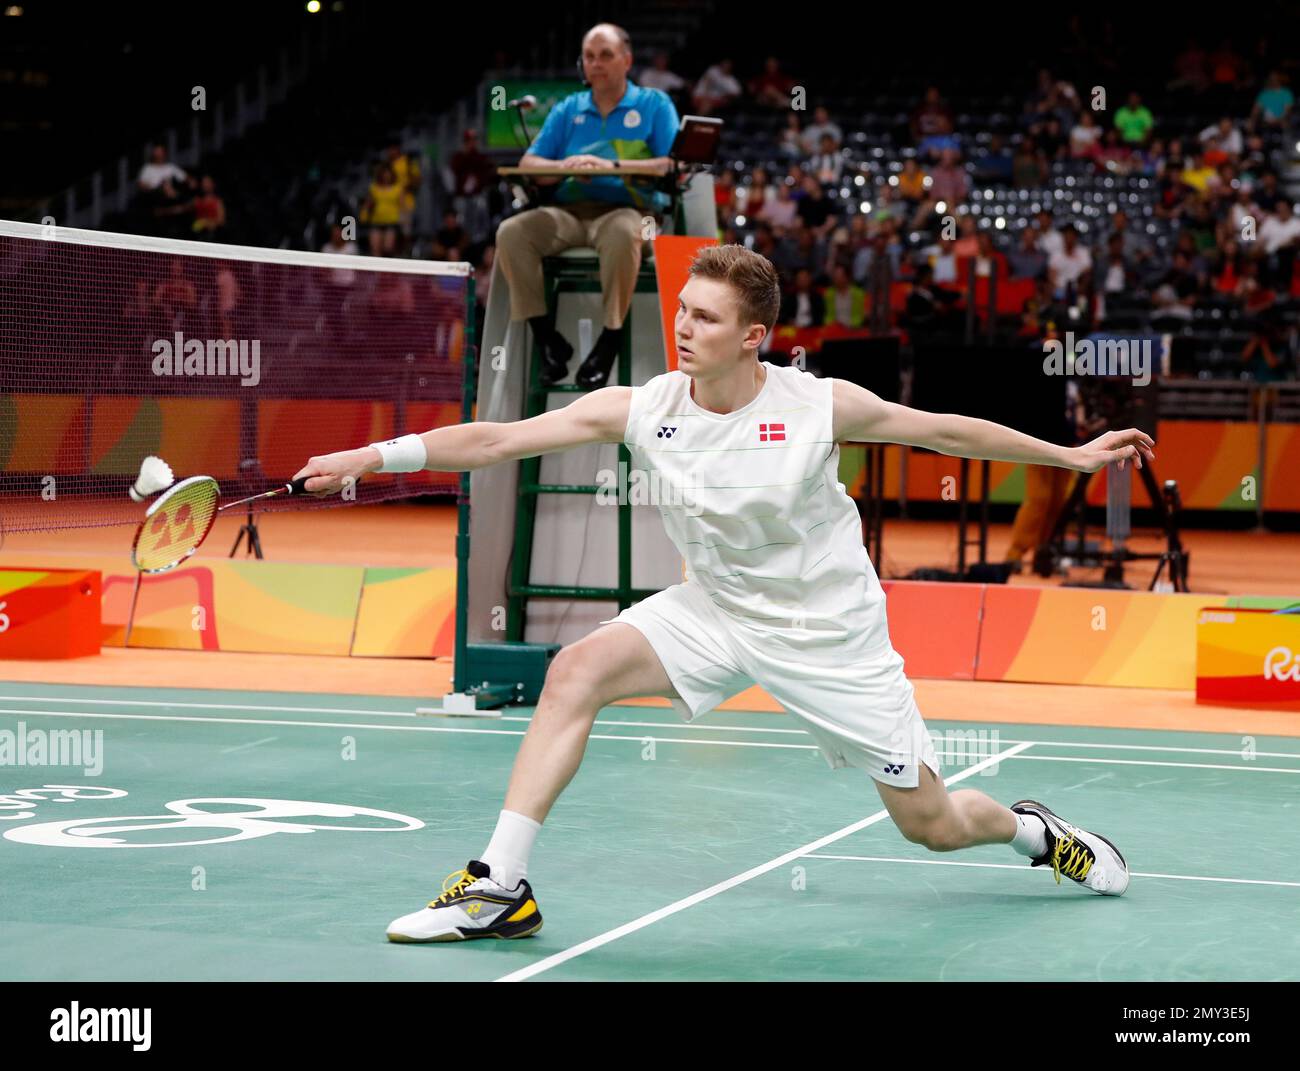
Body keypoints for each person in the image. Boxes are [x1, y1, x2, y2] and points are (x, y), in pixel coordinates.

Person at [295, 244, 1145, 942]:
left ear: (754, 337)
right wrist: (373, 459)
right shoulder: (647, 406)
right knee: (574, 673)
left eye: (705, 316)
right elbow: (499, 438)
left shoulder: (817, 406)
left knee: (932, 823)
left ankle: (1037, 833)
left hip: (830, 637)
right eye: (682, 310)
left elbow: (945, 429)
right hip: (718, 610)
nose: (683, 326)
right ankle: (498, 886)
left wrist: (1069, 456)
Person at [496, 23, 677, 390]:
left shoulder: (654, 104)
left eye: (605, 55)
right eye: (589, 57)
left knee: (624, 232)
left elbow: (671, 163)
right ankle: (548, 341)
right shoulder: (568, 109)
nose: (596, 64)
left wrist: (609, 167)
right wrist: (569, 164)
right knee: (512, 232)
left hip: (635, 215)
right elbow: (531, 164)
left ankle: (608, 341)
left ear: (627, 60)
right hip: (570, 214)